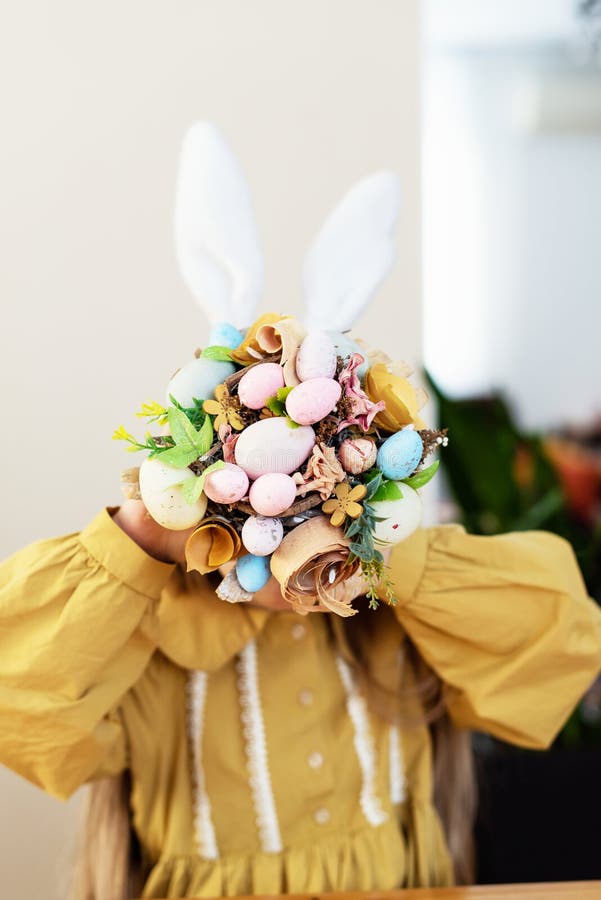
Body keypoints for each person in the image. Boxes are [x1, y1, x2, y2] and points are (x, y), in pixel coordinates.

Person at [1, 496, 600, 899]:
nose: (292, 529)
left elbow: (564, 639)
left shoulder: (400, 626)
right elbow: (18, 700)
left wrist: (390, 552)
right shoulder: (153, 637)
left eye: (313, 501)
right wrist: (139, 539)